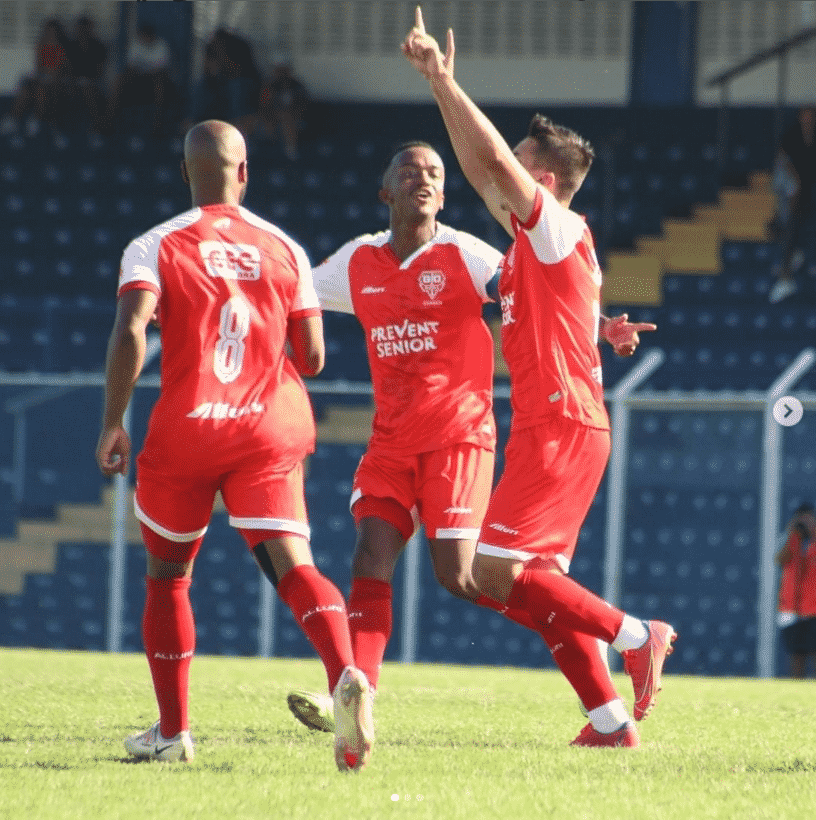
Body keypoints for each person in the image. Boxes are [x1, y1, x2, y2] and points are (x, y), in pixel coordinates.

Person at [285, 139, 652, 735]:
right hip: (390, 443)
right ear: (384, 191)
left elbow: (540, 294)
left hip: (458, 437)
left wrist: (600, 325)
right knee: (369, 555)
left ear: (444, 195)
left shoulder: (466, 255)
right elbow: (293, 293)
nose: (424, 179)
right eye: (409, 170)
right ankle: (356, 695)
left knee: (465, 578)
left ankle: (600, 670)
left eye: (434, 172)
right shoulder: (356, 263)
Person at [403, 8, 673, 748]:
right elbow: (481, 169)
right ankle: (609, 722)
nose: (506, 180)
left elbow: (492, 164)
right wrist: (599, 326)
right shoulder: (536, 244)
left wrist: (445, 81)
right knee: (532, 580)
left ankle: (637, 634)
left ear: (544, 180)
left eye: (524, 167)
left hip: (561, 422)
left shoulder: (555, 226)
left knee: (493, 572)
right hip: (558, 422)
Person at [95, 120, 373, 772]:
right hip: (266, 428)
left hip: (188, 428)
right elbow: (312, 356)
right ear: (244, 173)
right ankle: (345, 672)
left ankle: (173, 733)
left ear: (184, 173)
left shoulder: (154, 244)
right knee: (295, 566)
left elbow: (131, 328)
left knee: (169, 576)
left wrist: (113, 420)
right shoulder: (286, 247)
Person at [768, 106, 816, 304]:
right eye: (805, 116)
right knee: (788, 226)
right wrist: (795, 182)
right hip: (798, 193)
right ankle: (785, 276)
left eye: (811, 117)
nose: (807, 120)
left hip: (810, 192)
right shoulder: (791, 137)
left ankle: (801, 255)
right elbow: (783, 160)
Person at [0, 18, 71, 137]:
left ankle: (35, 119)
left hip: (56, 83)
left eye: (52, 31)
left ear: (57, 33)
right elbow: (39, 68)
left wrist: (49, 76)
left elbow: (62, 71)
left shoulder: (63, 48)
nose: (49, 34)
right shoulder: (42, 45)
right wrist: (41, 76)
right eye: (47, 31)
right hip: (42, 79)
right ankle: (13, 118)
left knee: (41, 90)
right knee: (26, 87)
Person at [187, 27, 260, 137]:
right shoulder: (206, 83)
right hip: (217, 87)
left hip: (240, 84)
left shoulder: (239, 49)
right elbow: (208, 71)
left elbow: (242, 71)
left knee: (236, 88)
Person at [105, 22, 172, 136]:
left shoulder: (161, 46)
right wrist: (142, 69)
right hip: (139, 78)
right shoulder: (136, 43)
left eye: (146, 37)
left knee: (159, 84)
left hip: (155, 80)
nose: (144, 39)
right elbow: (131, 66)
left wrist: (146, 69)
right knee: (120, 80)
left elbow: (161, 70)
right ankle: (108, 121)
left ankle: (157, 125)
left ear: (151, 36)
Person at [776, 503, 816, 678]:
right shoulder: (791, 539)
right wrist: (793, 534)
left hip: (813, 609)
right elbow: (780, 559)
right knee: (796, 655)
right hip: (791, 609)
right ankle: (797, 688)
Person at [257, 60, 309, 160]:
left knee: (287, 120)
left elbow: (304, 106)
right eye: (279, 70)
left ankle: (290, 151)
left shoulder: (297, 86)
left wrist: (292, 114)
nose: (282, 73)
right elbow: (263, 107)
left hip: (294, 119)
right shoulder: (269, 86)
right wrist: (273, 116)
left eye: (284, 70)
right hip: (272, 118)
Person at [66, 15, 108, 132]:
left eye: (86, 29)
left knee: (89, 92)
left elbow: (99, 70)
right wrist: (75, 80)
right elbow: (68, 68)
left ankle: (96, 127)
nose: (83, 32)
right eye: (80, 29)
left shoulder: (99, 46)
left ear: (90, 30)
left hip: (93, 82)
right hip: (73, 81)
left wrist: (87, 79)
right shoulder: (71, 46)